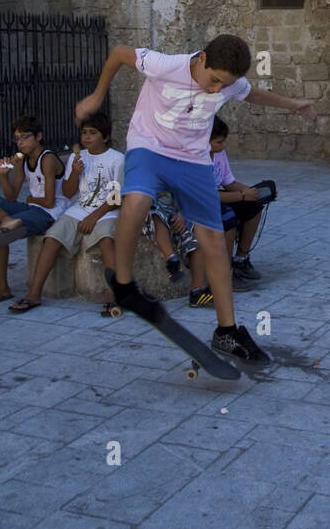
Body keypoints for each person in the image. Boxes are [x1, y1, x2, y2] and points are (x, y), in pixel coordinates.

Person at [74, 34, 316, 366]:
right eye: (214, 80)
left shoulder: (229, 83)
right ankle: (125, 284)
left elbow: (254, 94)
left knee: (214, 240)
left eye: (224, 85)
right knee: (138, 201)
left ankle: (227, 330)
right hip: (150, 146)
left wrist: (294, 104)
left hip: (193, 159)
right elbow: (118, 53)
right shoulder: (165, 65)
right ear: (201, 58)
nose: (217, 89)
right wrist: (97, 96)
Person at [8, 112, 123, 315]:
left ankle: (113, 294)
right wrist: (76, 173)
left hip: (105, 212)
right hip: (80, 209)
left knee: (106, 239)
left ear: (105, 137)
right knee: (52, 238)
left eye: (92, 133)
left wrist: (94, 217)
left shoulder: (117, 159)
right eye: (84, 133)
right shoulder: (76, 158)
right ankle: (34, 293)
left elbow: (115, 199)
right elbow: (69, 192)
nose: (86, 137)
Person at [0, 115, 70, 305]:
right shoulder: (23, 160)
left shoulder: (47, 159)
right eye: (17, 138)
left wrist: (31, 198)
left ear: (39, 136)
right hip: (32, 208)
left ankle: (9, 223)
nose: (20, 143)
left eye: (25, 137)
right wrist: (4, 176)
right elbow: (12, 196)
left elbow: (49, 201)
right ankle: (1, 286)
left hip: (49, 213)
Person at [209, 117, 276, 286]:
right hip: (202, 202)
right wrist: (241, 196)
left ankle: (241, 258)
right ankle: (226, 271)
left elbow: (229, 182)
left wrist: (250, 192)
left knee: (254, 206)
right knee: (228, 217)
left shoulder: (219, 154)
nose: (223, 146)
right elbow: (207, 195)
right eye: (219, 142)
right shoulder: (195, 159)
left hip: (219, 196)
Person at [141, 192, 213, 308]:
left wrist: (183, 213)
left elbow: (187, 191)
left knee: (195, 235)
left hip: (176, 211)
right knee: (156, 216)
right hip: (151, 210)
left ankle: (198, 290)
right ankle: (171, 259)